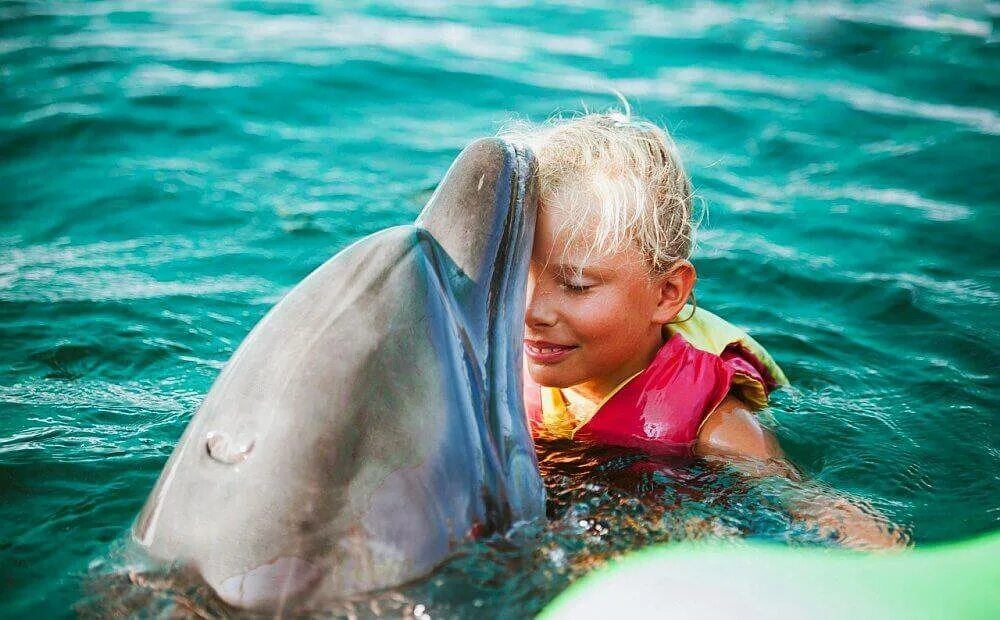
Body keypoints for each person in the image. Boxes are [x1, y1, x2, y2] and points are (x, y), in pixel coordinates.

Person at [503, 110, 906, 549]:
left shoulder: (715, 427)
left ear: (666, 294)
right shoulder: (507, 357)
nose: (531, 312)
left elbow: (825, 515)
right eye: (517, 276)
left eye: (577, 285)